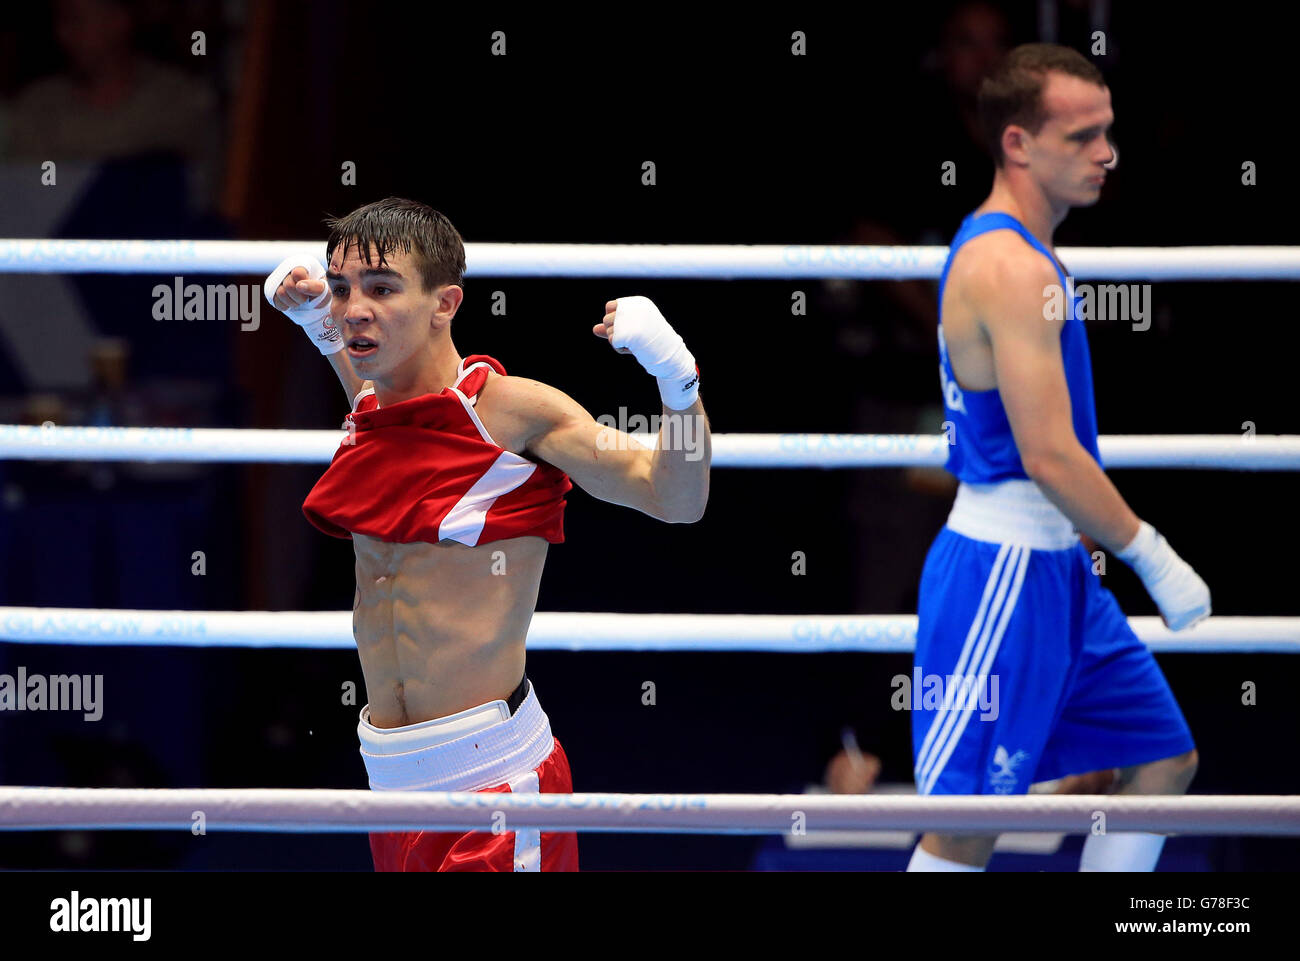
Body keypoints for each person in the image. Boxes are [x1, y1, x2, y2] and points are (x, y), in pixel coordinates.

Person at [265, 197, 710, 871]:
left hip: (495, 792)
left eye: (382, 289)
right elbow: (354, 360)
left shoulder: (512, 413)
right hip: (391, 785)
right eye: (342, 287)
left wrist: (676, 380)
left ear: (445, 303)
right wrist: (310, 315)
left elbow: (674, 497)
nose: (355, 307)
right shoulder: (370, 405)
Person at [907, 45, 1207, 872]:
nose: (1106, 153)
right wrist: (1155, 555)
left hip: (1058, 572)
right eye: (1082, 136)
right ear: (1017, 143)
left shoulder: (1031, 256)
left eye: (1108, 132)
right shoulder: (1007, 265)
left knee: (1161, 754)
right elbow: (1047, 454)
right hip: (1001, 570)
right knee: (965, 824)